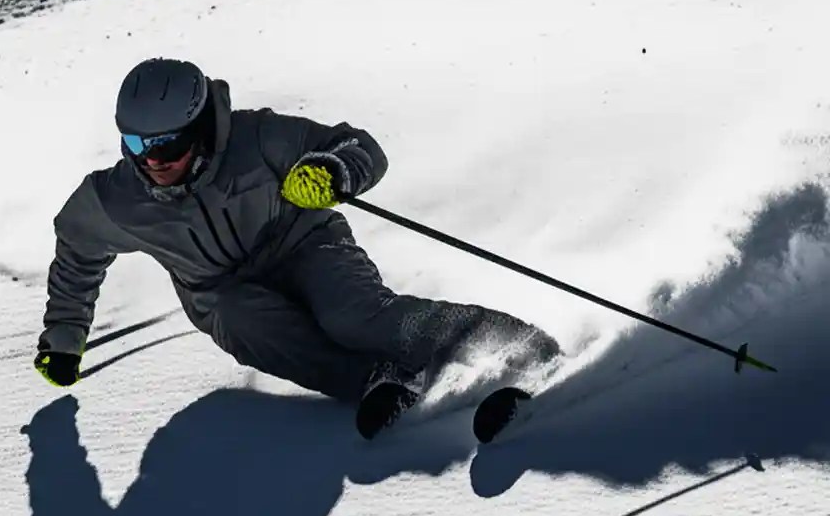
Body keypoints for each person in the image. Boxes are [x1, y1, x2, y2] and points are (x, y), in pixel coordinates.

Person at [33, 58, 557, 439]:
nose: (152, 160)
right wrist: (64, 336)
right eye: (136, 145)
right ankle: (379, 381)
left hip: (306, 245)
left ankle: (527, 352)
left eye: (165, 145)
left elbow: (358, 146)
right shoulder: (115, 198)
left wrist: (332, 170)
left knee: (352, 318)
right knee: (238, 317)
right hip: (224, 292)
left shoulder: (256, 138)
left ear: (197, 128)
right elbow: (77, 249)